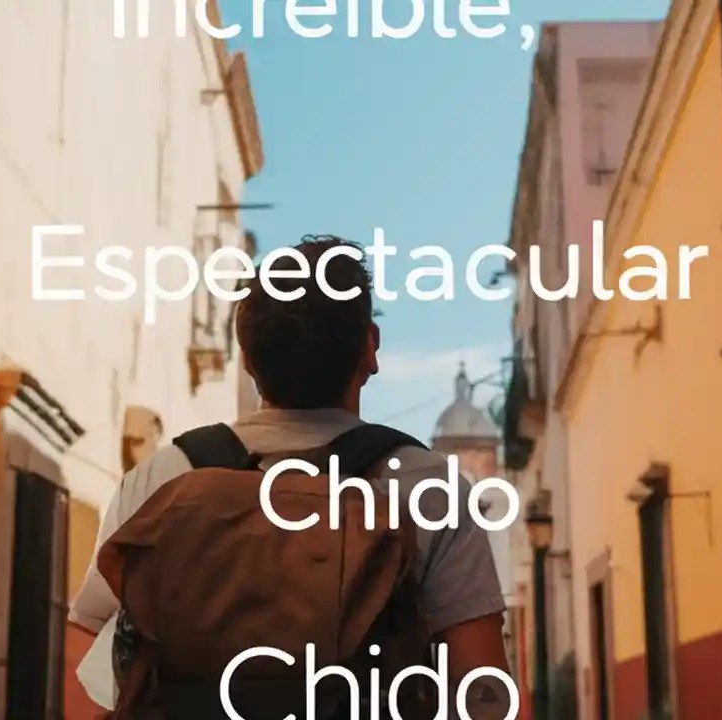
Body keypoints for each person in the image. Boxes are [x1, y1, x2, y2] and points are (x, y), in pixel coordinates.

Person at [69, 236, 510, 718]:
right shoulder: (431, 489)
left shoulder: (160, 479)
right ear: (370, 348)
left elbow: (89, 660)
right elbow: (480, 688)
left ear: (249, 356)